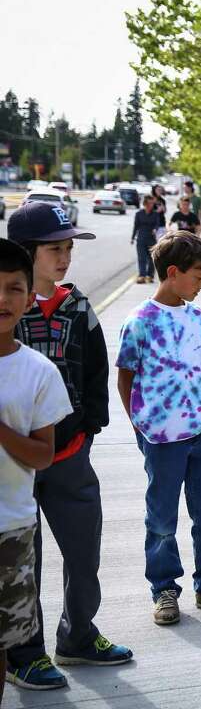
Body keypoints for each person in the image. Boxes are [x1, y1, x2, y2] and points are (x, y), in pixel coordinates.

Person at [3, 204, 133, 692]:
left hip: (70, 452)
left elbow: (96, 370)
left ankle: (78, 634)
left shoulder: (77, 306)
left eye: (69, 248)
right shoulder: (9, 309)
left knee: (83, 552)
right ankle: (25, 653)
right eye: (55, 248)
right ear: (25, 253)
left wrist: (91, 427)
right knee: (22, 559)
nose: (65, 257)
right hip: (15, 463)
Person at [115, 231, 201, 626]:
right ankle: (164, 590)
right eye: (198, 276)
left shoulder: (200, 319)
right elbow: (125, 377)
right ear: (173, 273)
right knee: (161, 520)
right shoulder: (140, 322)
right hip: (161, 441)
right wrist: (140, 426)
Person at [0, 239, 73, 706]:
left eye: (13, 289)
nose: (1, 299)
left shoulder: (38, 372)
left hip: (10, 530)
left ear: (29, 299)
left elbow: (43, 456)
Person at [130, 195, 159, 284]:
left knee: (151, 258)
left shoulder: (155, 214)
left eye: (152, 203)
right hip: (141, 238)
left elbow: (157, 224)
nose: (151, 205)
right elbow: (136, 226)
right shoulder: (139, 214)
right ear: (145, 203)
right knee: (141, 258)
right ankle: (142, 276)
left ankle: (150, 276)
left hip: (151, 239)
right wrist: (132, 237)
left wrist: (155, 229)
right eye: (149, 203)